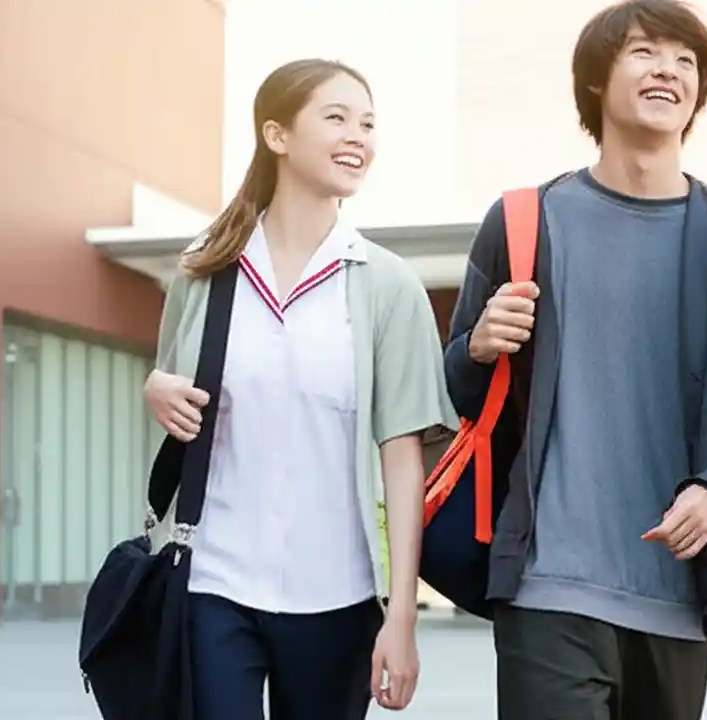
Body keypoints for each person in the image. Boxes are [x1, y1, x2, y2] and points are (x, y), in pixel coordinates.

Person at [442, 1, 707, 718]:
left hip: (675, 593)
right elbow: (455, 393)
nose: (668, 70)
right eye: (645, 52)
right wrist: (478, 347)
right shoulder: (524, 222)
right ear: (594, 82)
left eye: (686, 61)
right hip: (546, 587)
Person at [142, 58, 456, 719]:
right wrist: (155, 389)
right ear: (277, 135)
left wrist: (402, 615)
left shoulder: (387, 287)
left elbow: (404, 464)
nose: (358, 138)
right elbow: (173, 385)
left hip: (337, 597)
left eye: (368, 124)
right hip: (213, 582)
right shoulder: (205, 273)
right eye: (336, 118)